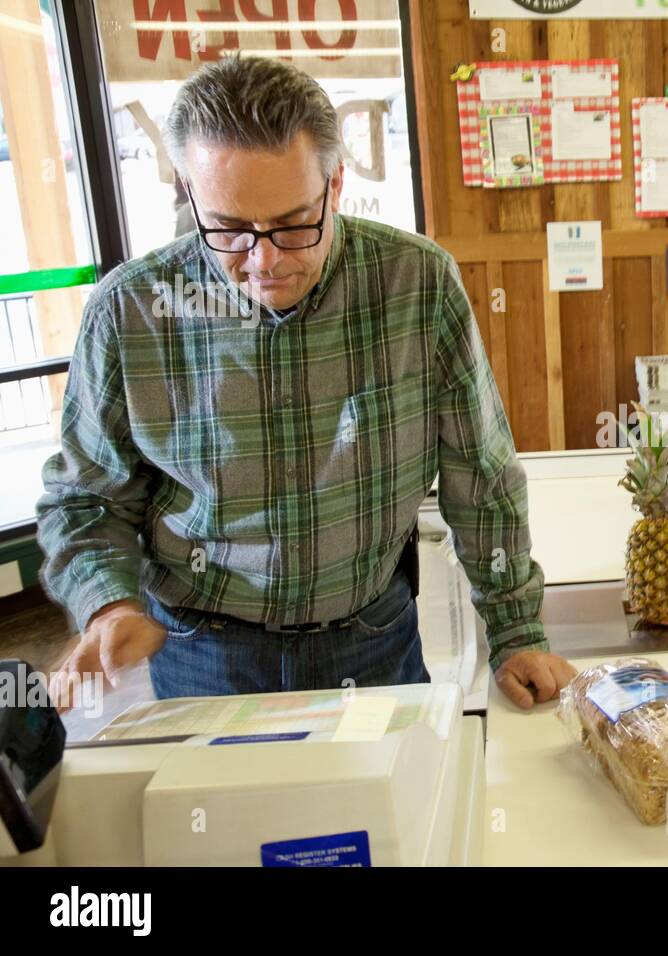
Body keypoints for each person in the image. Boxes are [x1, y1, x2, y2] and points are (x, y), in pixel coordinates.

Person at [38, 56, 574, 711]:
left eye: (295, 225)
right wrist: (107, 602)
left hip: (373, 642)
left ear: (336, 184)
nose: (264, 261)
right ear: (188, 190)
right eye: (229, 230)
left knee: (387, 815)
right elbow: (86, 499)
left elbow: (480, 476)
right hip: (204, 652)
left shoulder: (417, 284)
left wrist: (516, 630)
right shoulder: (129, 311)